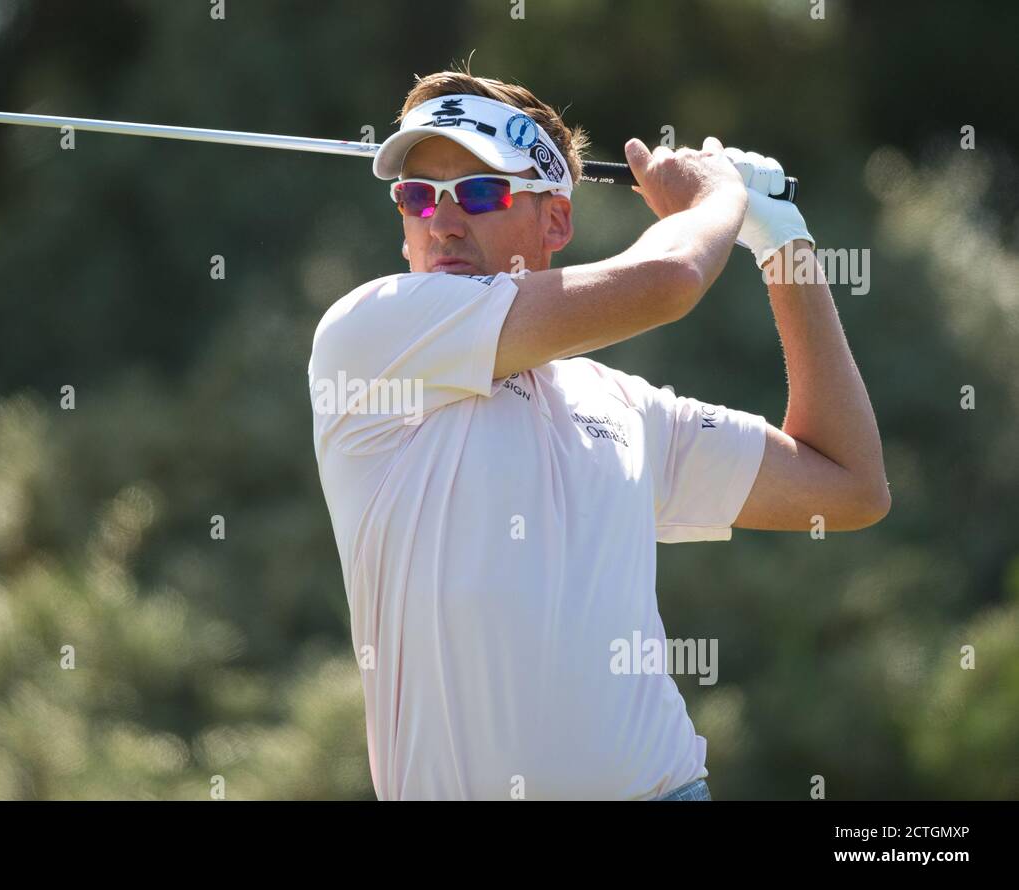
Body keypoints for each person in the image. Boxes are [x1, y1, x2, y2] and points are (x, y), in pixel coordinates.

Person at [307, 68, 890, 800]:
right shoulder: (370, 336)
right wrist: (721, 200)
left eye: (482, 193)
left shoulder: (623, 408)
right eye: (419, 197)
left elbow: (848, 483)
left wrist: (784, 243)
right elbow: (672, 278)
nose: (443, 223)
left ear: (555, 221)